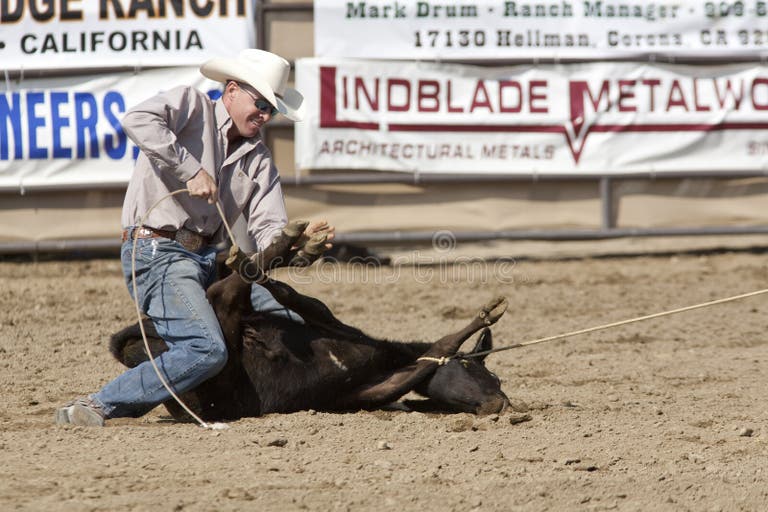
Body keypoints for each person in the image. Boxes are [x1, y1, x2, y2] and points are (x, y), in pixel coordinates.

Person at [55, 49, 333, 427]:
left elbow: (269, 227)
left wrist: (292, 245)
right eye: (261, 104)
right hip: (156, 251)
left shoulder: (259, 159)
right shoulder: (190, 105)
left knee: (287, 319)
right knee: (205, 348)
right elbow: (137, 119)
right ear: (231, 91)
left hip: (207, 260)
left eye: (272, 109)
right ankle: (99, 404)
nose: (266, 116)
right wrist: (190, 170)